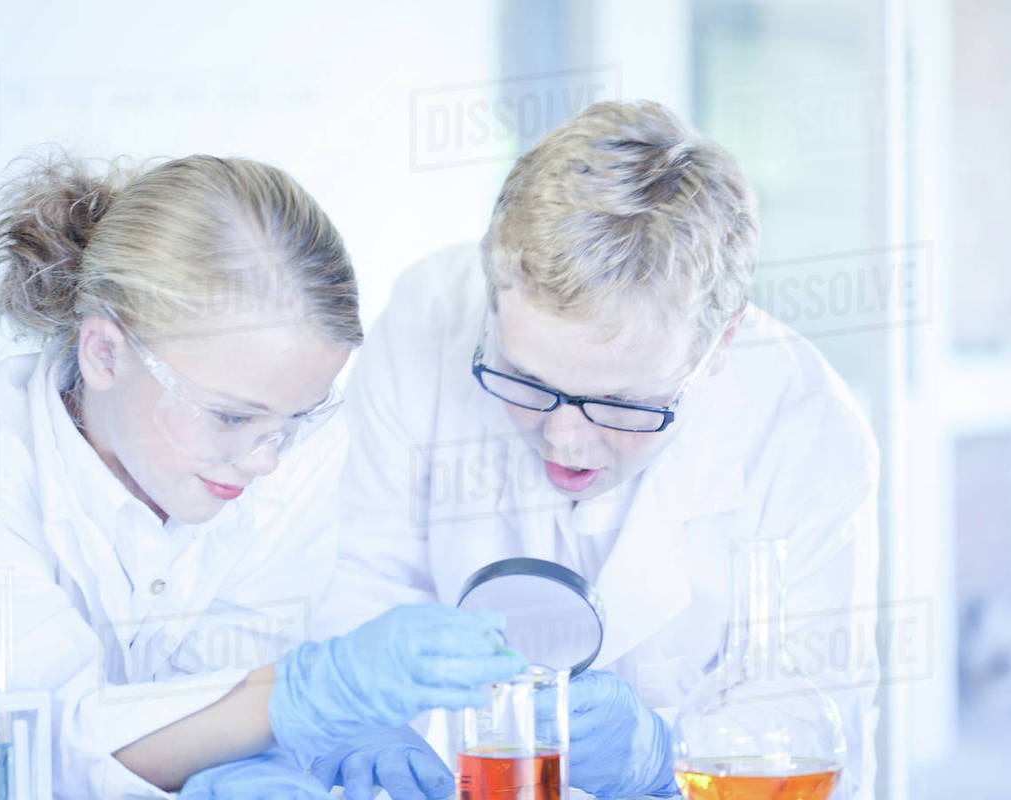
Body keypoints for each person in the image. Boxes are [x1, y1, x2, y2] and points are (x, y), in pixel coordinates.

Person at [0, 152, 525, 798]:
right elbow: (47, 741)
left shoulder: (295, 449)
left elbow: (235, 692)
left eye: (295, 421)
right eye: (229, 418)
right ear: (105, 353)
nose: (267, 460)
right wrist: (302, 695)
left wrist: (330, 732)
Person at [323, 100, 881, 799]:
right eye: (524, 382)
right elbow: (363, 573)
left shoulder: (802, 428)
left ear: (719, 346)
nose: (566, 439)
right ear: (492, 299)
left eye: (623, 405)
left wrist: (664, 758)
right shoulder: (428, 320)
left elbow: (821, 737)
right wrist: (361, 711)